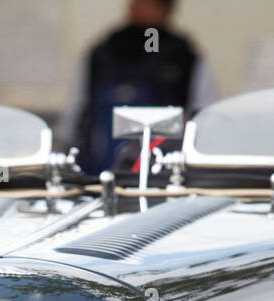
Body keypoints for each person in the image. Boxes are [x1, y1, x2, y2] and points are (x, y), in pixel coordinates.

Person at [59, 0, 218, 173]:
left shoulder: (185, 57)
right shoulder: (103, 51)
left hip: (162, 170)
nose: (137, 6)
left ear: (165, 10)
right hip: (98, 169)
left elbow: (204, 116)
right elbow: (75, 113)